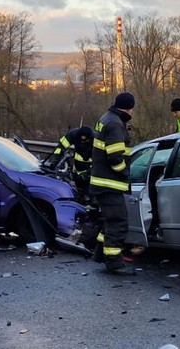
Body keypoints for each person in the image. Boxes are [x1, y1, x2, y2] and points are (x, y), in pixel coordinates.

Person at [90, 91, 136, 275]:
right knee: (118, 223)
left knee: (109, 222)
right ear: (129, 108)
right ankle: (114, 263)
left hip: (101, 183)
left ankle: (100, 254)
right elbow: (115, 157)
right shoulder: (116, 124)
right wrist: (125, 173)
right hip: (110, 183)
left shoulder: (107, 118)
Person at [45, 123, 93, 194]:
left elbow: (101, 162)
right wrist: (55, 161)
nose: (82, 142)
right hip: (76, 171)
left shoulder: (97, 139)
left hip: (91, 173)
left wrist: (88, 174)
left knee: (89, 195)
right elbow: (61, 146)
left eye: (85, 141)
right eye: (81, 140)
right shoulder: (74, 134)